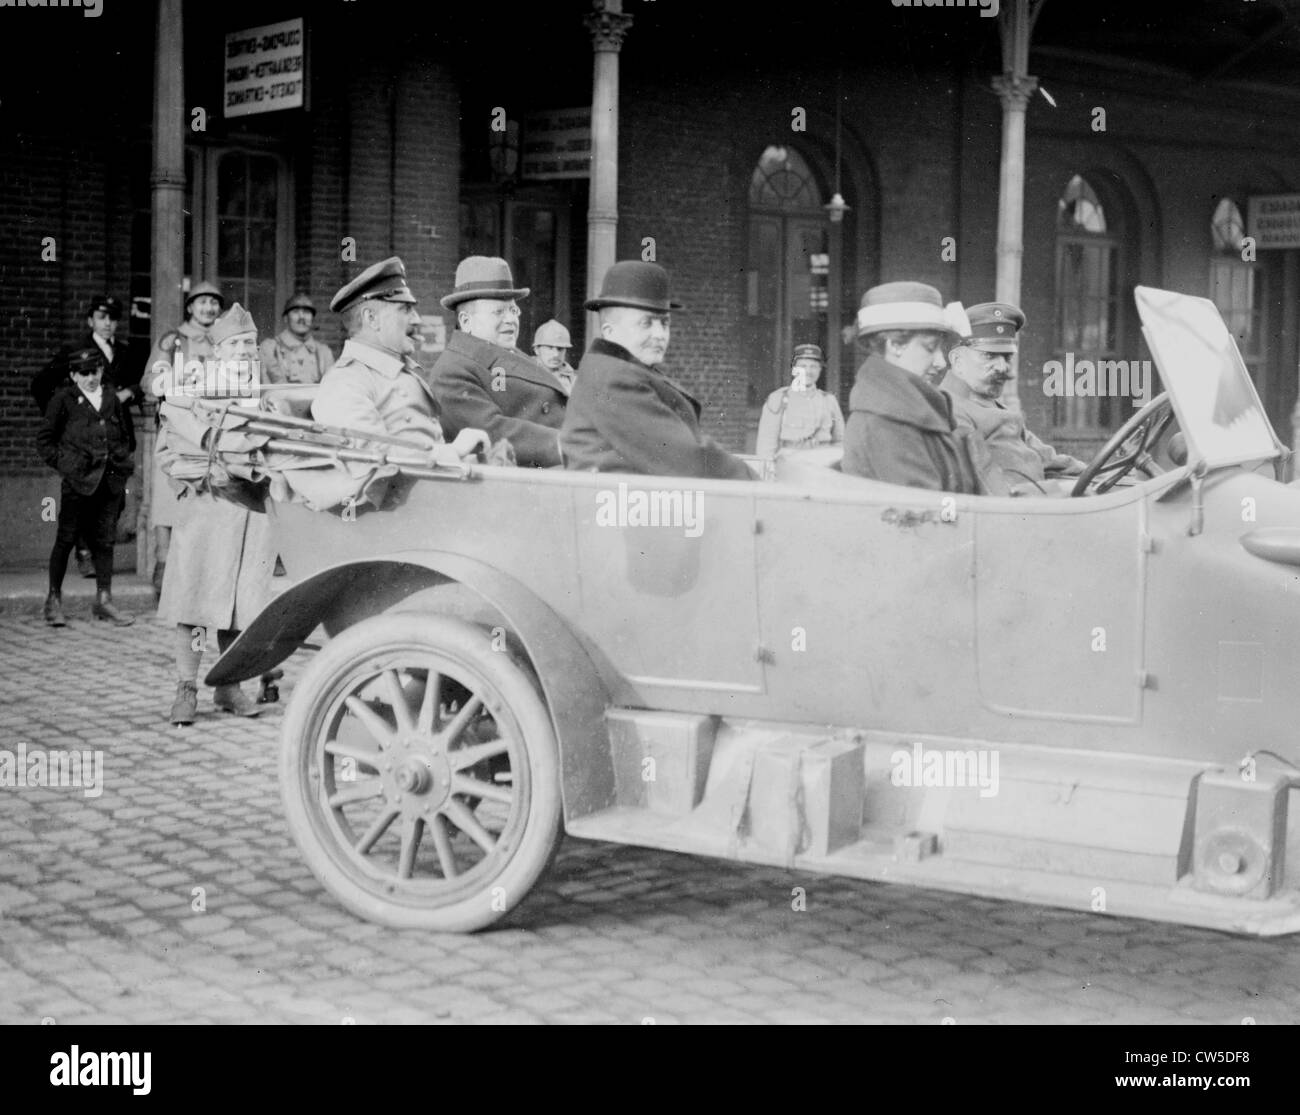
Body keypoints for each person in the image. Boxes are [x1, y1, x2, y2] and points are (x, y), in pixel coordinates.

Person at [158, 302, 275, 725]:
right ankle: (186, 688)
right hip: (206, 510)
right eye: (236, 345)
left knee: (240, 606)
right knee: (195, 604)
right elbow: (169, 454)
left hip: (251, 516)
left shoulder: (266, 396)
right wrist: (211, 468)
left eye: (251, 344)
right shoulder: (192, 394)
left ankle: (229, 687)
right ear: (219, 351)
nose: (245, 353)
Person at [311, 256, 487, 510]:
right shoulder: (345, 382)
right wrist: (453, 452)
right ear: (371, 318)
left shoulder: (401, 371)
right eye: (405, 309)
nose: (416, 319)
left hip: (431, 502)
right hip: (397, 518)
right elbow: (374, 463)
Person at [561, 260, 752, 480]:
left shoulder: (615, 371)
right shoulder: (613, 380)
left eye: (665, 323)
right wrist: (764, 487)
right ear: (609, 331)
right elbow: (689, 460)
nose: (660, 334)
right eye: (646, 323)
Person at [32, 295, 142, 577]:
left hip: (115, 437)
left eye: (113, 318)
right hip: (84, 443)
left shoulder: (126, 351)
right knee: (84, 495)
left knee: (114, 499)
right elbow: (41, 384)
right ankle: (84, 552)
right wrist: (68, 418)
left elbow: (139, 381)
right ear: (90, 320)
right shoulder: (77, 349)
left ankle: (95, 551)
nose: (108, 323)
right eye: (102, 317)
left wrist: (129, 392)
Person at [841, 281, 985, 493]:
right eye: (930, 348)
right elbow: (927, 518)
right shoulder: (887, 424)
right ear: (895, 345)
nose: (941, 362)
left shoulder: (907, 412)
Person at [427, 256, 568, 467]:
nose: (511, 319)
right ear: (466, 322)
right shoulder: (451, 372)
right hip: (526, 481)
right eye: (498, 312)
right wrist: (566, 444)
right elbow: (494, 432)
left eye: (513, 310)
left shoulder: (503, 354)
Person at [36, 347, 136, 627]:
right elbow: (44, 440)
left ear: (102, 371)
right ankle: (53, 600)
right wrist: (67, 465)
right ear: (73, 375)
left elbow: (125, 436)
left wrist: (121, 462)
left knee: (104, 541)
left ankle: (104, 600)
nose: (90, 377)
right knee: (66, 540)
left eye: (95, 371)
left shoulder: (112, 399)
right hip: (78, 483)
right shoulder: (63, 400)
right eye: (83, 373)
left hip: (110, 482)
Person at [940, 302, 1086, 489]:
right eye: (989, 356)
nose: (1002, 367)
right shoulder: (950, 408)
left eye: (1007, 357)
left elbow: (1050, 460)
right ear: (957, 361)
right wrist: (1055, 493)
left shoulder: (990, 404)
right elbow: (987, 486)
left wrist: (1100, 473)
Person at [144, 281, 224, 600]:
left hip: (211, 431)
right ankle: (163, 565)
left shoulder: (223, 340)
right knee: (168, 498)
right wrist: (178, 379)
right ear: (190, 307)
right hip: (177, 427)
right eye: (202, 302)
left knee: (207, 498)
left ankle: (199, 574)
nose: (208, 308)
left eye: (214, 303)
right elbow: (149, 381)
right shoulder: (173, 340)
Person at [755, 343, 845, 459]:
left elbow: (840, 441)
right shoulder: (779, 399)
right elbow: (766, 443)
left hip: (822, 466)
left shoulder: (829, 401)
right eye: (803, 366)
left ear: (820, 370)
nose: (808, 371)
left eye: (813, 366)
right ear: (794, 369)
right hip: (790, 466)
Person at [259, 292, 335, 385]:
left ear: (313, 319)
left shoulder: (324, 352)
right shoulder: (270, 348)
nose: (301, 317)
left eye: (306, 312)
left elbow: (330, 389)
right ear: (286, 318)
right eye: (295, 312)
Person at [532, 319, 577, 395]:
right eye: (550, 348)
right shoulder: (526, 371)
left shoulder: (573, 378)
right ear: (536, 350)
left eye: (560, 349)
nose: (556, 354)